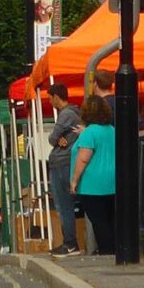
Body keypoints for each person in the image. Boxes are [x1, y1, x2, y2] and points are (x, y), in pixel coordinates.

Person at [71, 95, 117, 256]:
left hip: (92, 184)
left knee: (98, 220)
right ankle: (113, 249)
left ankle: (106, 250)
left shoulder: (88, 133)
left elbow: (83, 158)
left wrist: (74, 181)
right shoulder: (112, 130)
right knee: (111, 219)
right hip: (113, 181)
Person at [45, 83, 83, 258]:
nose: (50, 102)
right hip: (65, 162)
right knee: (65, 205)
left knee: (63, 205)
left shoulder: (66, 114)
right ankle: (69, 242)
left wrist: (56, 138)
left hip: (62, 163)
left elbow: (53, 138)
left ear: (56, 97)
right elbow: (56, 138)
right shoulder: (72, 114)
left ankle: (70, 243)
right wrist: (57, 138)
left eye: (50, 98)